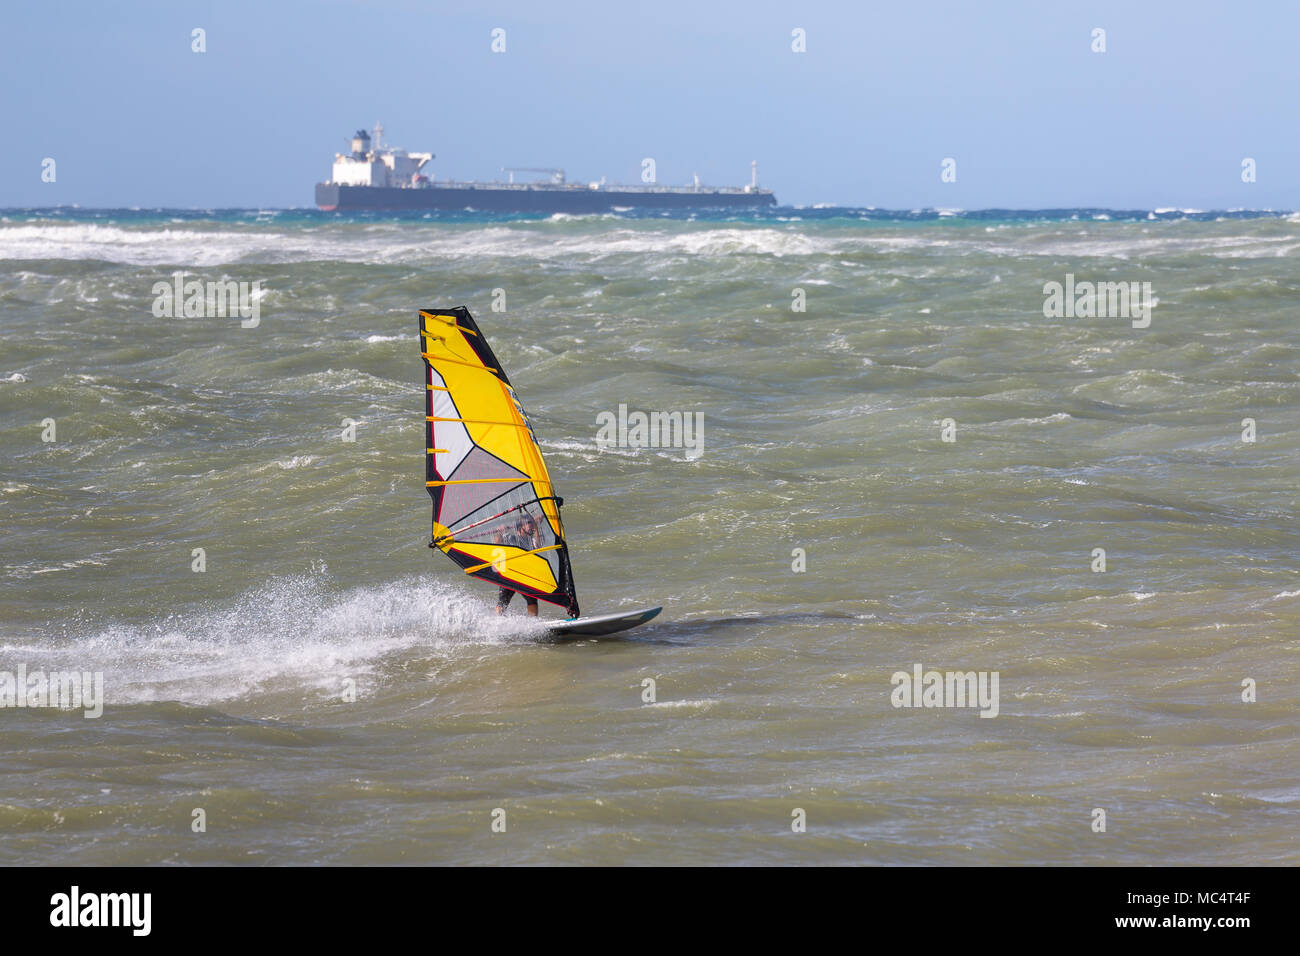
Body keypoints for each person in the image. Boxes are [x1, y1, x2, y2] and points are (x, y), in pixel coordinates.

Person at [494, 514, 541, 616]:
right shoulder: (510, 538)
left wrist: (536, 525)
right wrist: (499, 532)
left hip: (524, 576)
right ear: (521, 526)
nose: (532, 525)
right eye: (529, 523)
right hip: (510, 575)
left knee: (532, 601)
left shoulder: (531, 541)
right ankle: (496, 622)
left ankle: (533, 624)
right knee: (502, 602)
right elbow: (497, 542)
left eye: (532, 523)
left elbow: (538, 544)